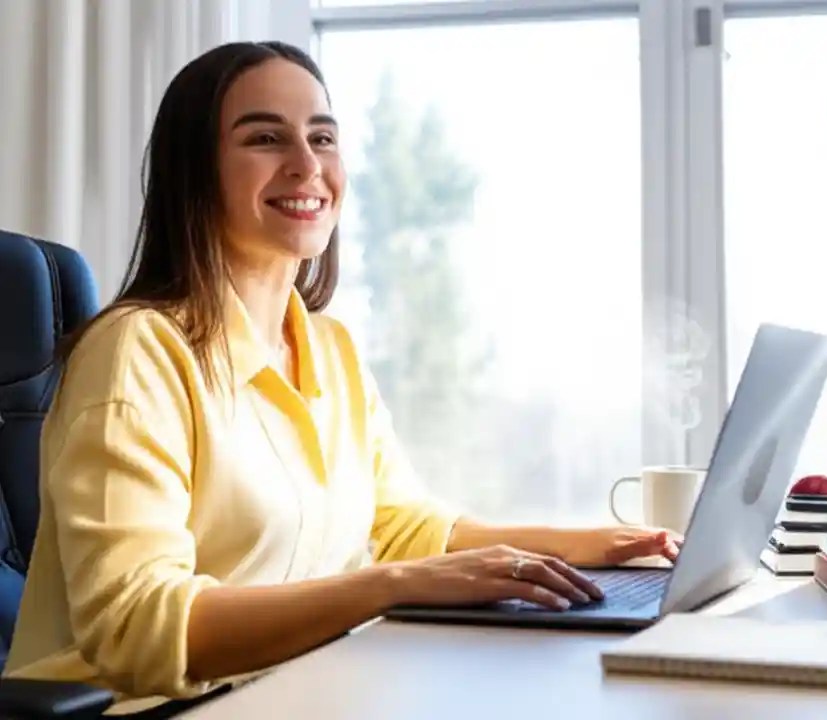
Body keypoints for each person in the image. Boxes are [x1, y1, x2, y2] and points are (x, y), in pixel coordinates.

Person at [1, 41, 679, 717]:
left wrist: (590, 547)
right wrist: (389, 587)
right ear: (196, 172)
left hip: (297, 693)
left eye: (322, 138)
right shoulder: (137, 352)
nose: (306, 166)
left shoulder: (329, 349)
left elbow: (405, 526)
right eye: (265, 138)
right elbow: (136, 629)